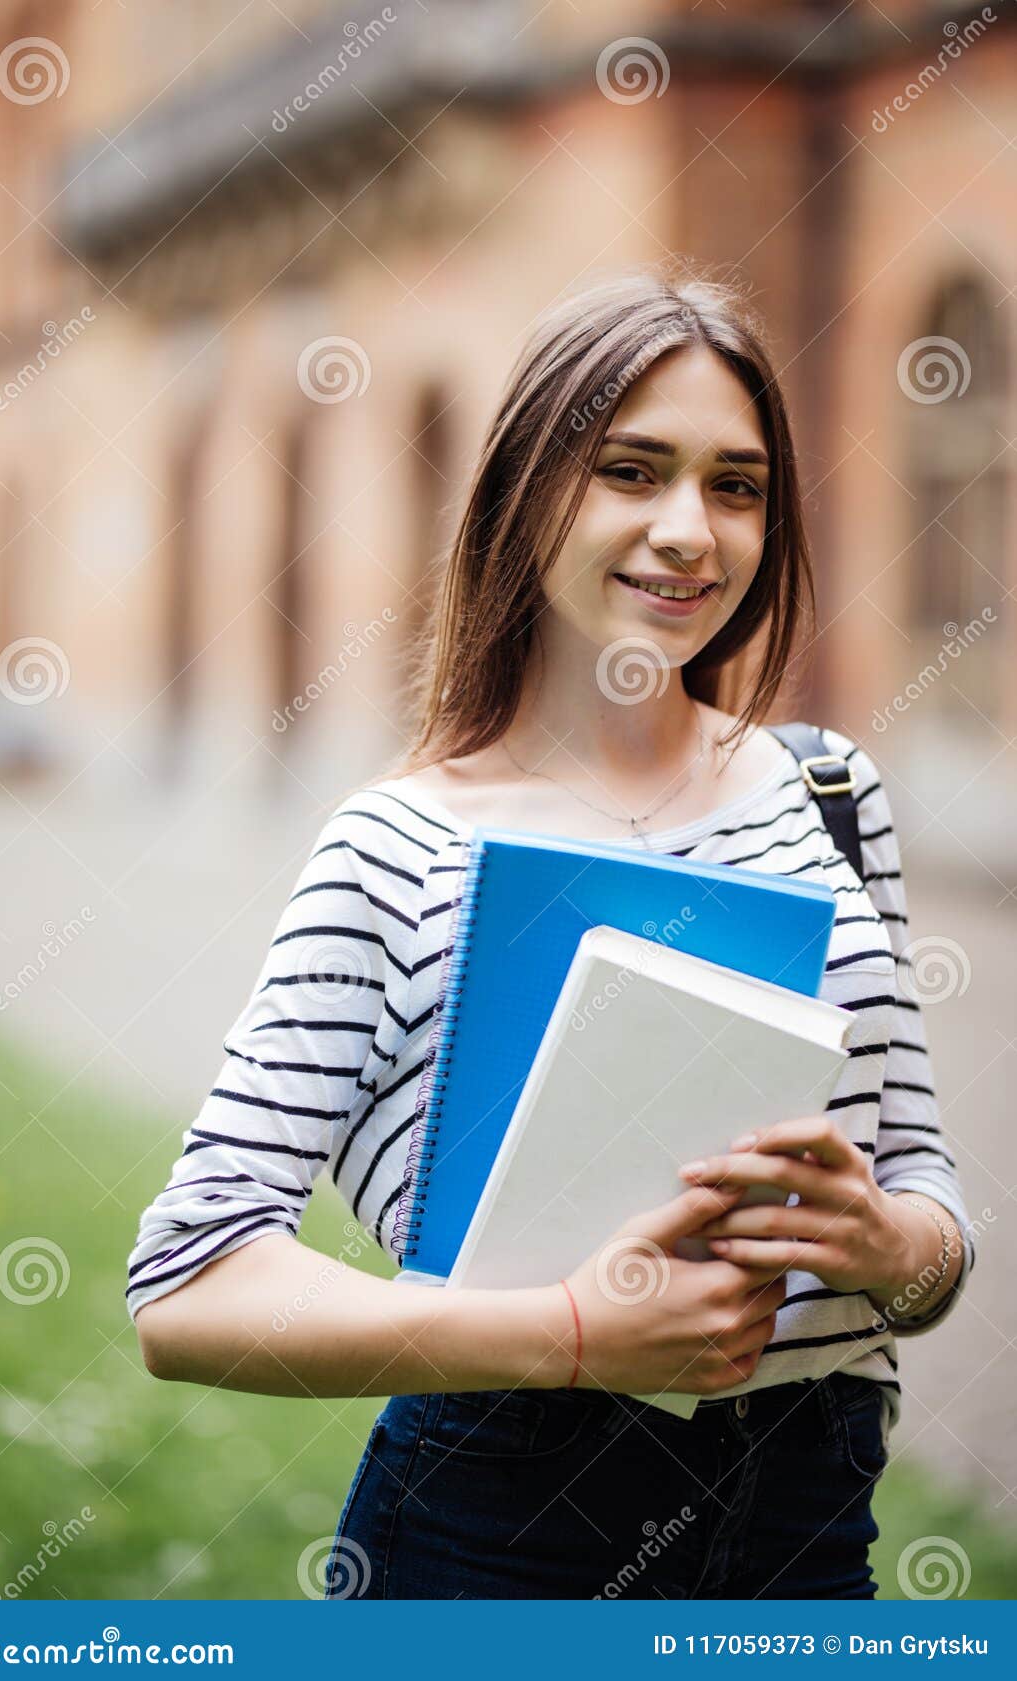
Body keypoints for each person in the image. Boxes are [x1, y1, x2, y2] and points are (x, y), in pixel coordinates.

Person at [127, 267, 975, 1600]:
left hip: (815, 1523)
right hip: (505, 1531)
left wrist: (887, 1244)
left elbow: (924, 1182)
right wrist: (576, 1330)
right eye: (631, 471)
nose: (689, 529)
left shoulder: (828, 794)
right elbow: (188, 1287)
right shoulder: (397, 845)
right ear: (529, 494)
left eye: (736, 484)